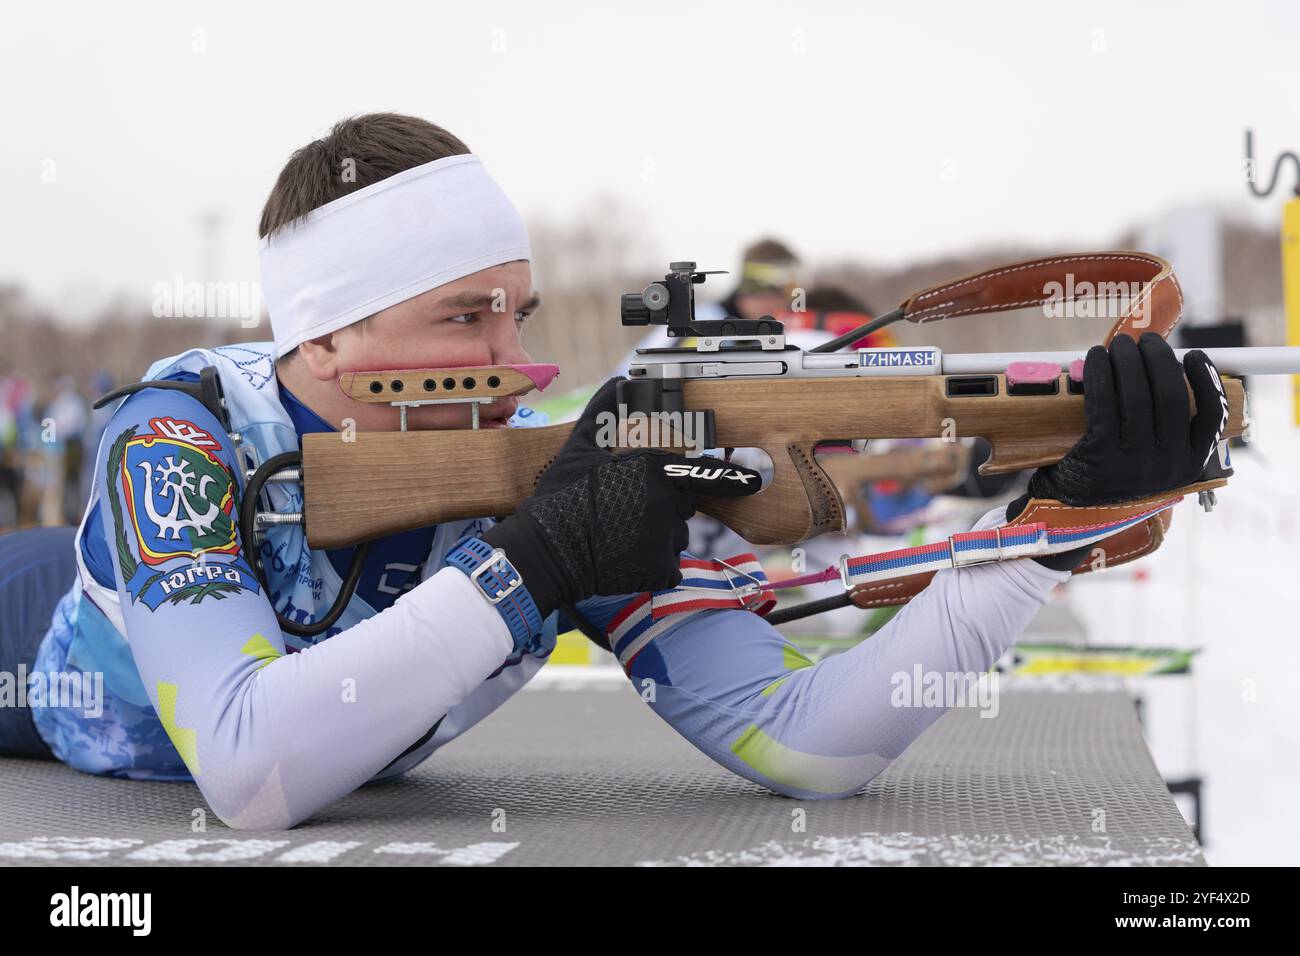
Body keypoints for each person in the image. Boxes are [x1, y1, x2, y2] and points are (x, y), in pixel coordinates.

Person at [0, 113, 1227, 829]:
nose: (516, 360)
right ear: (322, 334)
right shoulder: (181, 434)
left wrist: (1042, 533)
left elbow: (811, 741)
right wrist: (529, 563)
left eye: (519, 311)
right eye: (463, 317)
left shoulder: (545, 463)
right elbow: (248, 765)